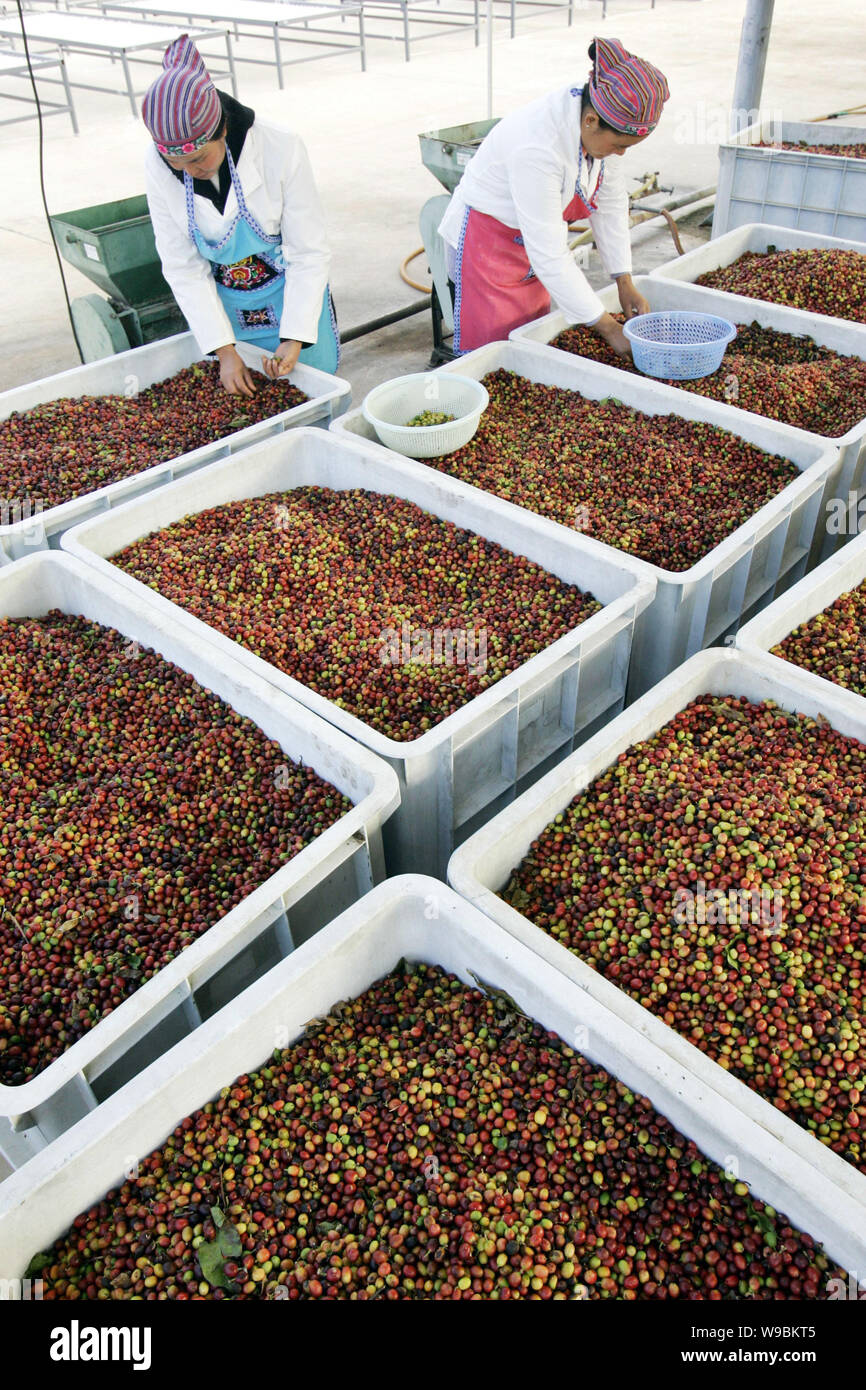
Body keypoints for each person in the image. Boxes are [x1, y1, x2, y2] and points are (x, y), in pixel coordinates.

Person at [438, 37, 670, 358]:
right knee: (491, 361)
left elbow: (612, 200)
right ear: (591, 121)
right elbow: (549, 256)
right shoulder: (538, 147)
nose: (620, 154)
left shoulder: (600, 115)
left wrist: (623, 279)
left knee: (530, 346)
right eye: (619, 145)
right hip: (485, 250)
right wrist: (609, 328)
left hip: (531, 251)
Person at [142, 35, 338, 396]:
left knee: (312, 394)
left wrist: (294, 337)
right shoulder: (157, 166)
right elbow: (182, 265)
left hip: (291, 298)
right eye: (177, 163)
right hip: (230, 311)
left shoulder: (279, 146)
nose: (189, 171)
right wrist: (224, 349)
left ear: (224, 129)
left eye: (199, 159)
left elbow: (309, 251)